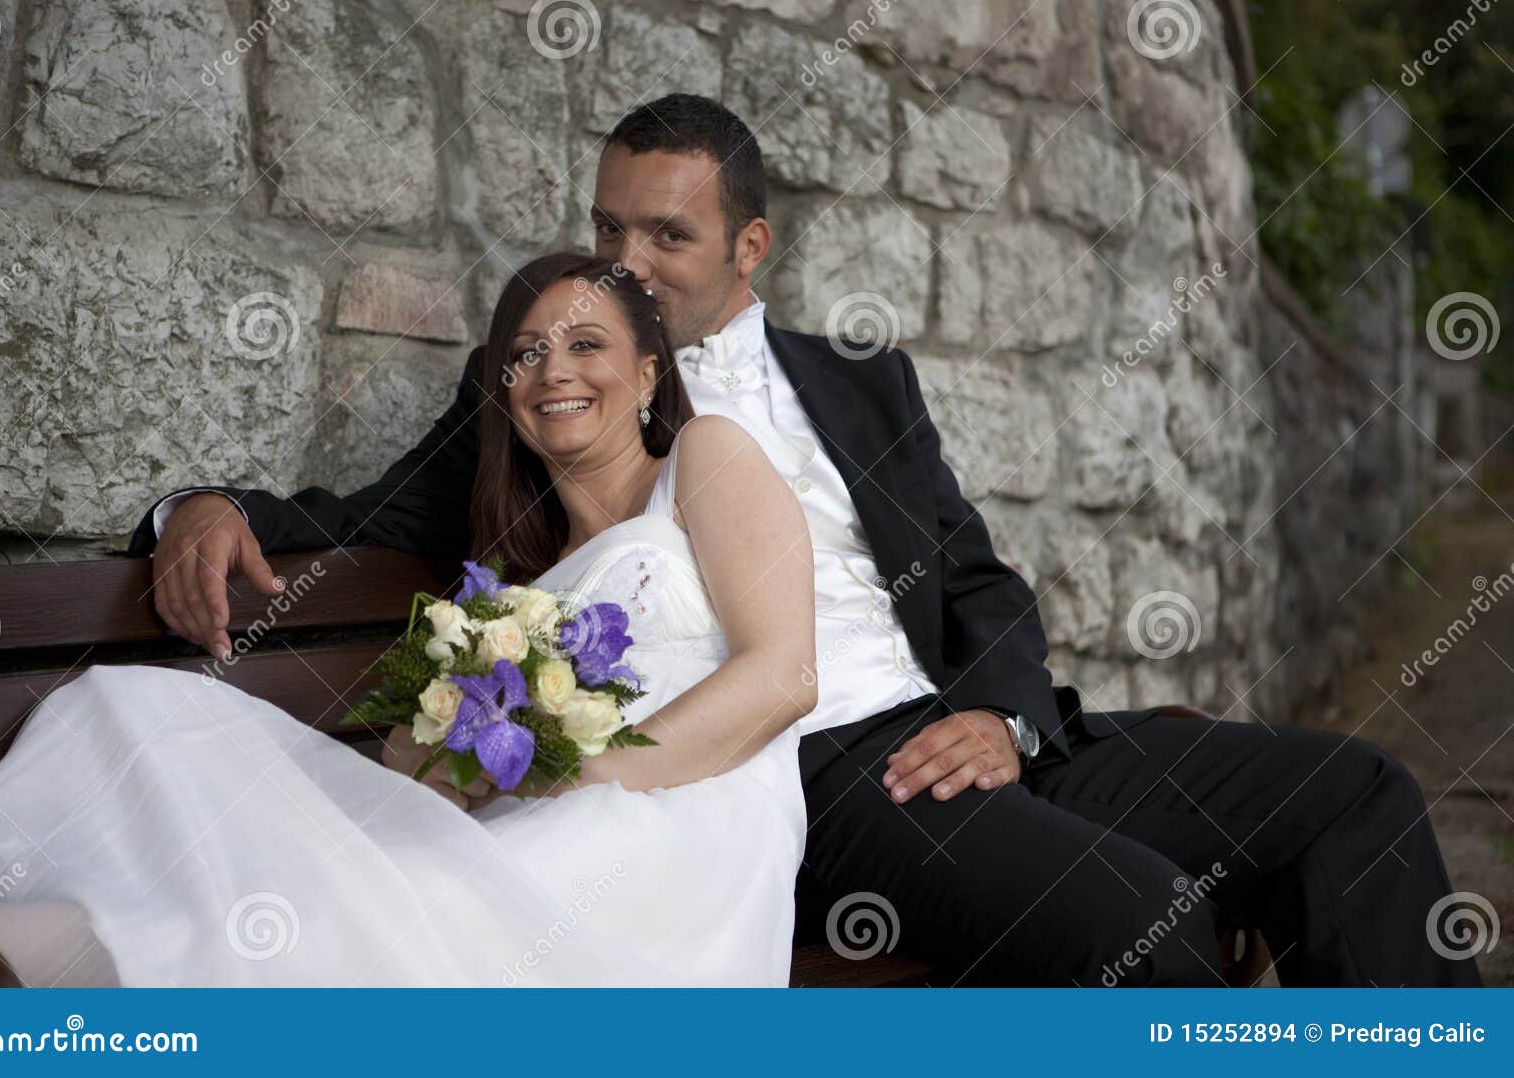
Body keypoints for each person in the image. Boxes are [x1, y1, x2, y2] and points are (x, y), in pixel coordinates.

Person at [133, 94, 1476, 986]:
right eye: (609, 227)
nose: (629, 258)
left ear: (750, 246)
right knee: (1149, 933)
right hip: (826, 767)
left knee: (1355, 799)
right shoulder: (567, 390)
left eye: (668, 233)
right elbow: (370, 520)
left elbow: (975, 579)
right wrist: (204, 508)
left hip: (983, 731)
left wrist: (1007, 718)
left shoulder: (859, 383)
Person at [0, 254, 817, 985]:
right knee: (153, 724)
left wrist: (580, 777)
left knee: (361, 915)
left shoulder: (704, 455)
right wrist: (441, 757)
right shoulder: (517, 593)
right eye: (529, 353)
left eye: (588, 343)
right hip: (555, 813)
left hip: (690, 824)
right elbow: (358, 554)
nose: (556, 372)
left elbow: (785, 675)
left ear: (650, 370)